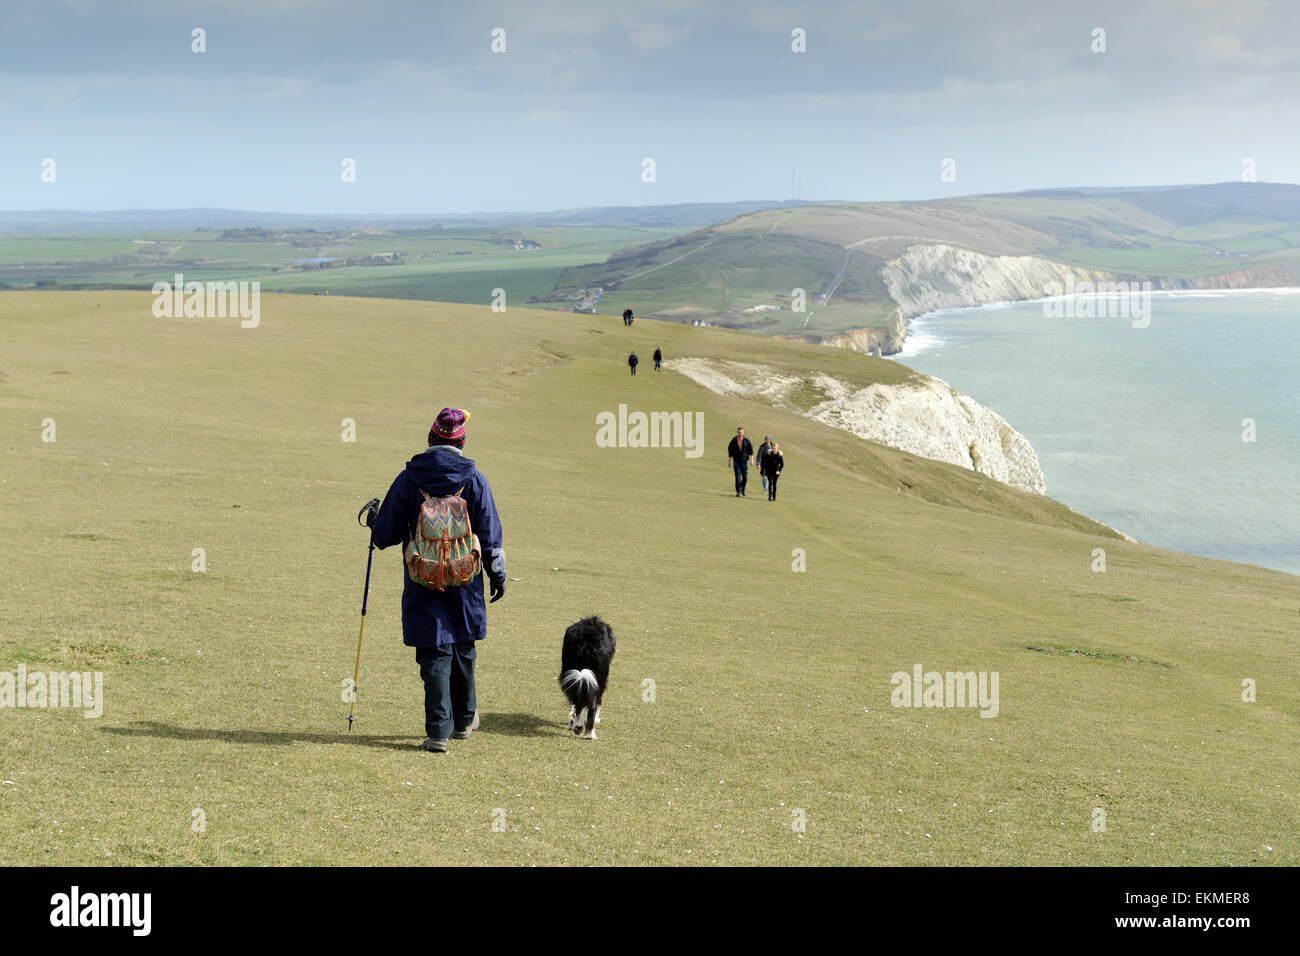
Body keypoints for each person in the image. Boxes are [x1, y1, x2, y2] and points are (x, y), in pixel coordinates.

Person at [363, 408, 506, 753]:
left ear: (431, 438)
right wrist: (497, 574)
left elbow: (385, 534)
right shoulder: (475, 479)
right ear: (461, 442)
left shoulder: (410, 478)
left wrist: (373, 520)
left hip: (423, 578)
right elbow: (489, 534)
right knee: (463, 647)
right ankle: (463, 721)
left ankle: (438, 732)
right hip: (465, 579)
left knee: (434, 651)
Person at [726, 426, 754, 497]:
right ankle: (738, 491)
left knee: (745, 477)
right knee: (738, 477)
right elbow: (730, 451)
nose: (740, 433)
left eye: (741, 432)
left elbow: (751, 451)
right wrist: (729, 461)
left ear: (743, 432)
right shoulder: (734, 440)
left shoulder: (747, 441)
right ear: (737, 432)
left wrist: (752, 460)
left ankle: (742, 488)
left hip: (744, 461)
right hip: (736, 461)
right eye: (738, 432)